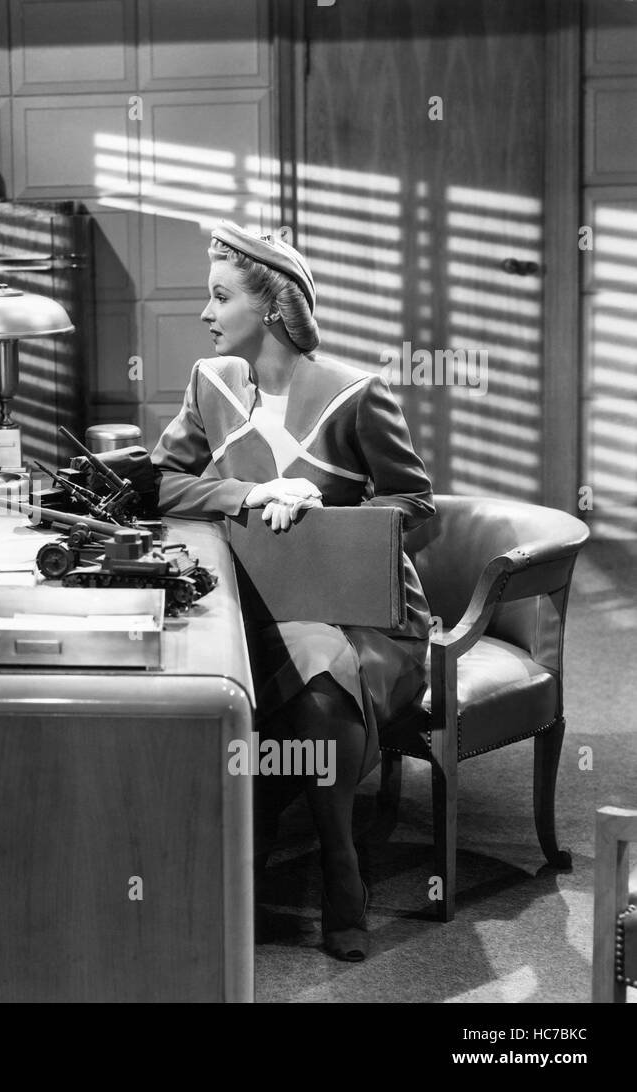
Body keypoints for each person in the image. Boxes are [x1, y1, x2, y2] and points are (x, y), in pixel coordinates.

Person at [152, 221, 435, 961]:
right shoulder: (208, 383)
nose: (205, 314)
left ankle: (341, 867)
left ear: (274, 308)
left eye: (220, 296)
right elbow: (162, 485)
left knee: (317, 683)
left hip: (363, 614)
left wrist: (327, 512)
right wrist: (246, 494)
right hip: (251, 600)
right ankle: (248, 848)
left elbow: (418, 508)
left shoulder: (355, 394)